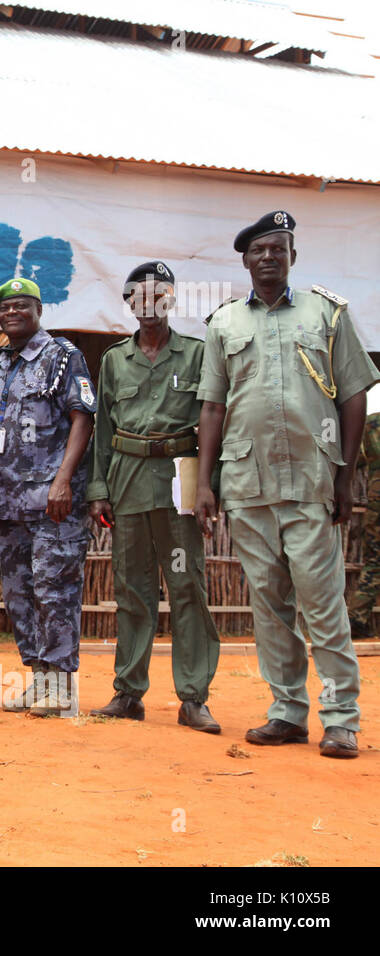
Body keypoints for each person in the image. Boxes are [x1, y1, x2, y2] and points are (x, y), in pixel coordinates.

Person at [196, 211, 377, 759]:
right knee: (269, 605)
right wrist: (205, 483)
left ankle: (341, 718)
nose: (269, 257)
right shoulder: (224, 323)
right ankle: (287, 713)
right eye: (259, 251)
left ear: (292, 256)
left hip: (310, 480)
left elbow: (352, 395)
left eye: (279, 248)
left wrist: (346, 474)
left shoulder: (327, 313)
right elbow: (211, 405)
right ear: (245, 261)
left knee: (323, 603)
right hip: (246, 483)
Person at [87, 261, 222, 732]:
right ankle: (128, 693)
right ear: (129, 304)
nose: (149, 306)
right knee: (132, 590)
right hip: (126, 479)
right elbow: (102, 427)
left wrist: (210, 485)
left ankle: (193, 698)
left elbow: (213, 420)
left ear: (171, 300)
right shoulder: (112, 360)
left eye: (158, 296)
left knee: (187, 587)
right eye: (139, 298)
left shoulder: (197, 354)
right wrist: (99, 488)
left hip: (179, 480)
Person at [0, 277, 95, 717]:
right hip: (10, 502)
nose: (13, 313)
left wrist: (63, 480)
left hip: (54, 501)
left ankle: (61, 686)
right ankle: (39, 679)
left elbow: (82, 418)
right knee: (19, 593)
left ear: (39, 310)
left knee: (56, 590)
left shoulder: (63, 355)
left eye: (22, 306)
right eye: (5, 307)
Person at [346, 411, 380, 640]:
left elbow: (351, 461)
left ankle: (357, 618)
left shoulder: (370, 423)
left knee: (375, 562)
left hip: (377, 506)